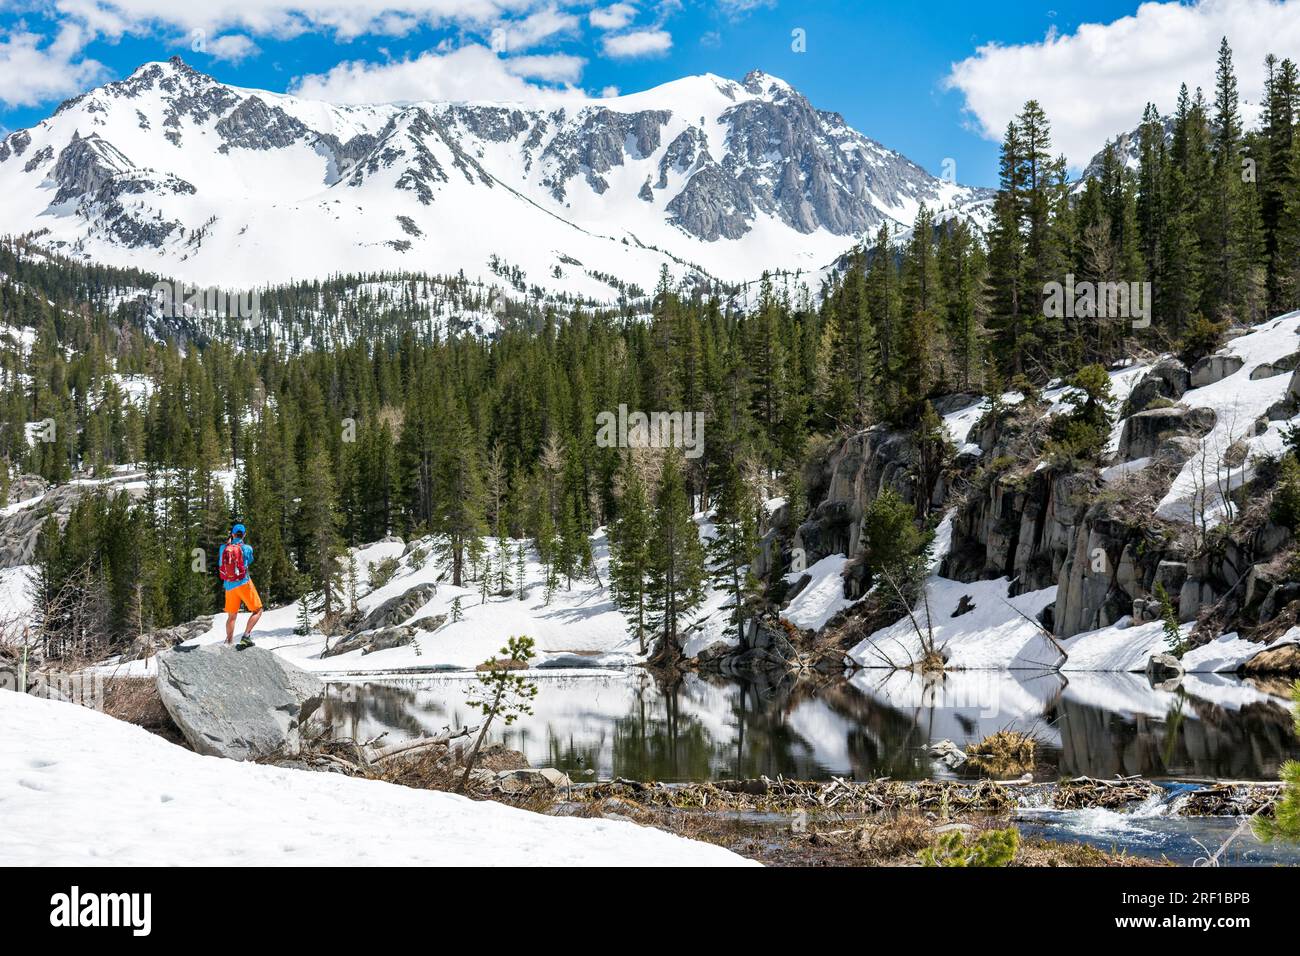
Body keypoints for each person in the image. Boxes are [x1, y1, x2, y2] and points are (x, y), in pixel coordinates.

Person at [218, 523, 262, 648]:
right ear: (244, 535)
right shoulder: (247, 548)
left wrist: (228, 544)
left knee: (232, 616)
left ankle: (229, 642)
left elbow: (221, 563)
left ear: (232, 534)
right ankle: (246, 636)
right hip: (244, 583)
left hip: (229, 585)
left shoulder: (223, 548)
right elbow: (250, 561)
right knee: (258, 610)